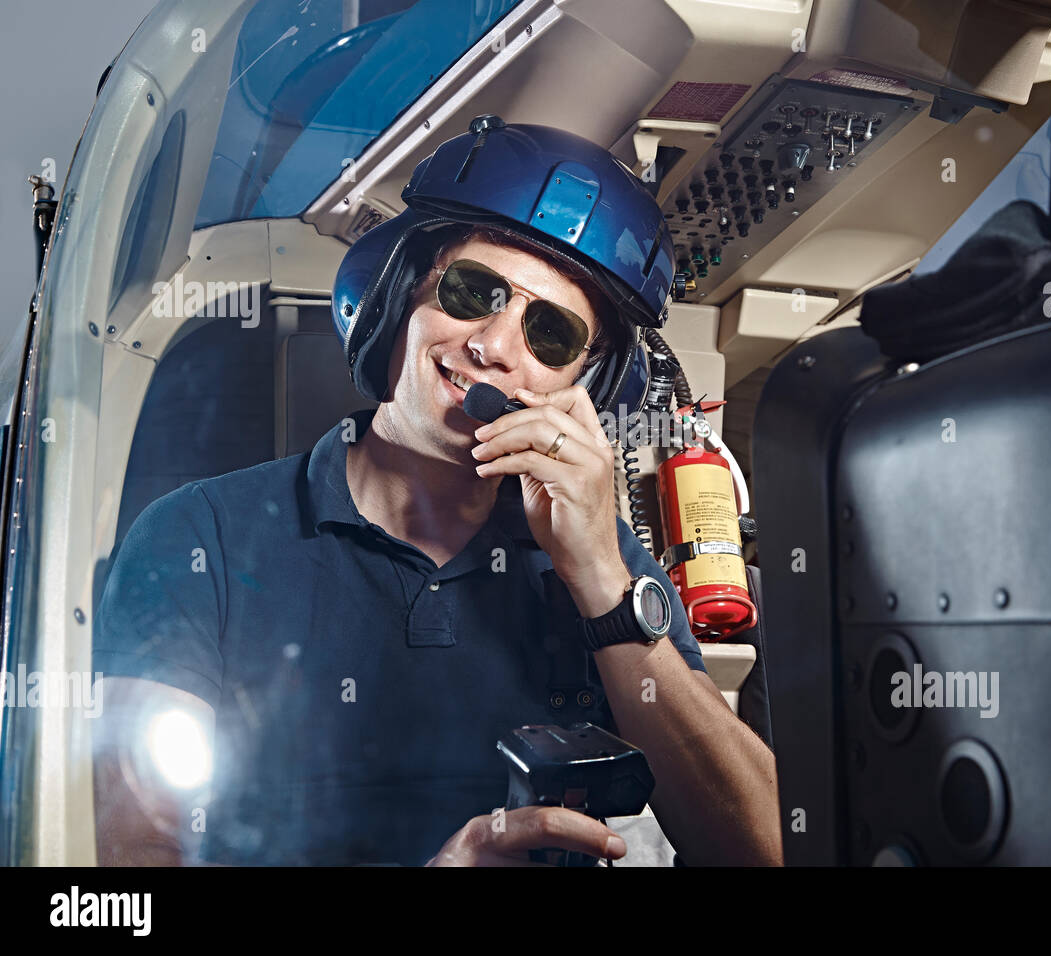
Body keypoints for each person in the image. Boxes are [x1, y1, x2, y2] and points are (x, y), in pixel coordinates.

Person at [92, 116, 782, 866]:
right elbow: (131, 873)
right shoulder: (200, 539)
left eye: (549, 334)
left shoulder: (599, 557)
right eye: (472, 291)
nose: (492, 346)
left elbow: (764, 848)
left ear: (583, 390)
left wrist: (603, 587)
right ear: (396, 300)